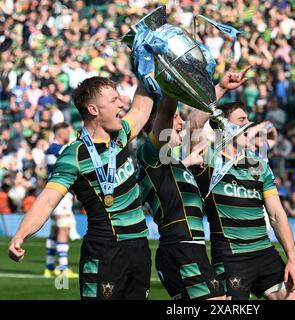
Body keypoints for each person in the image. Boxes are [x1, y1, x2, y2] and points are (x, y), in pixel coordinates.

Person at [9, 76, 154, 300]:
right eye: (114, 100)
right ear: (94, 109)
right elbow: (47, 200)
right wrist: (20, 235)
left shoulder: (121, 134)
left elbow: (141, 109)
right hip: (105, 251)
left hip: (139, 248)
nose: (120, 104)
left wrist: (148, 67)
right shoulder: (73, 155)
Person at [137, 68, 249, 300]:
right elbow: (171, 114)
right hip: (181, 249)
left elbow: (194, 124)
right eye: (175, 118)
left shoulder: (173, 162)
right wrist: (172, 83)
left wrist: (220, 87)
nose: (180, 122)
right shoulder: (150, 154)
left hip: (190, 248)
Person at [189, 101, 295, 300]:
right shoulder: (208, 158)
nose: (248, 124)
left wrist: (293, 258)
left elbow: (276, 214)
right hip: (231, 257)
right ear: (224, 127)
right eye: (242, 120)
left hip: (265, 252)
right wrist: (220, 88)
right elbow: (194, 125)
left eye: (248, 119)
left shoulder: (259, 165)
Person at [43, 122, 78, 278]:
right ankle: (63, 268)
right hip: (60, 193)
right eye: (67, 132)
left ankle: (49, 266)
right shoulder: (56, 149)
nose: (69, 135)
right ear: (59, 132)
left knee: (56, 229)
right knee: (64, 228)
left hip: (57, 193)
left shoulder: (54, 149)